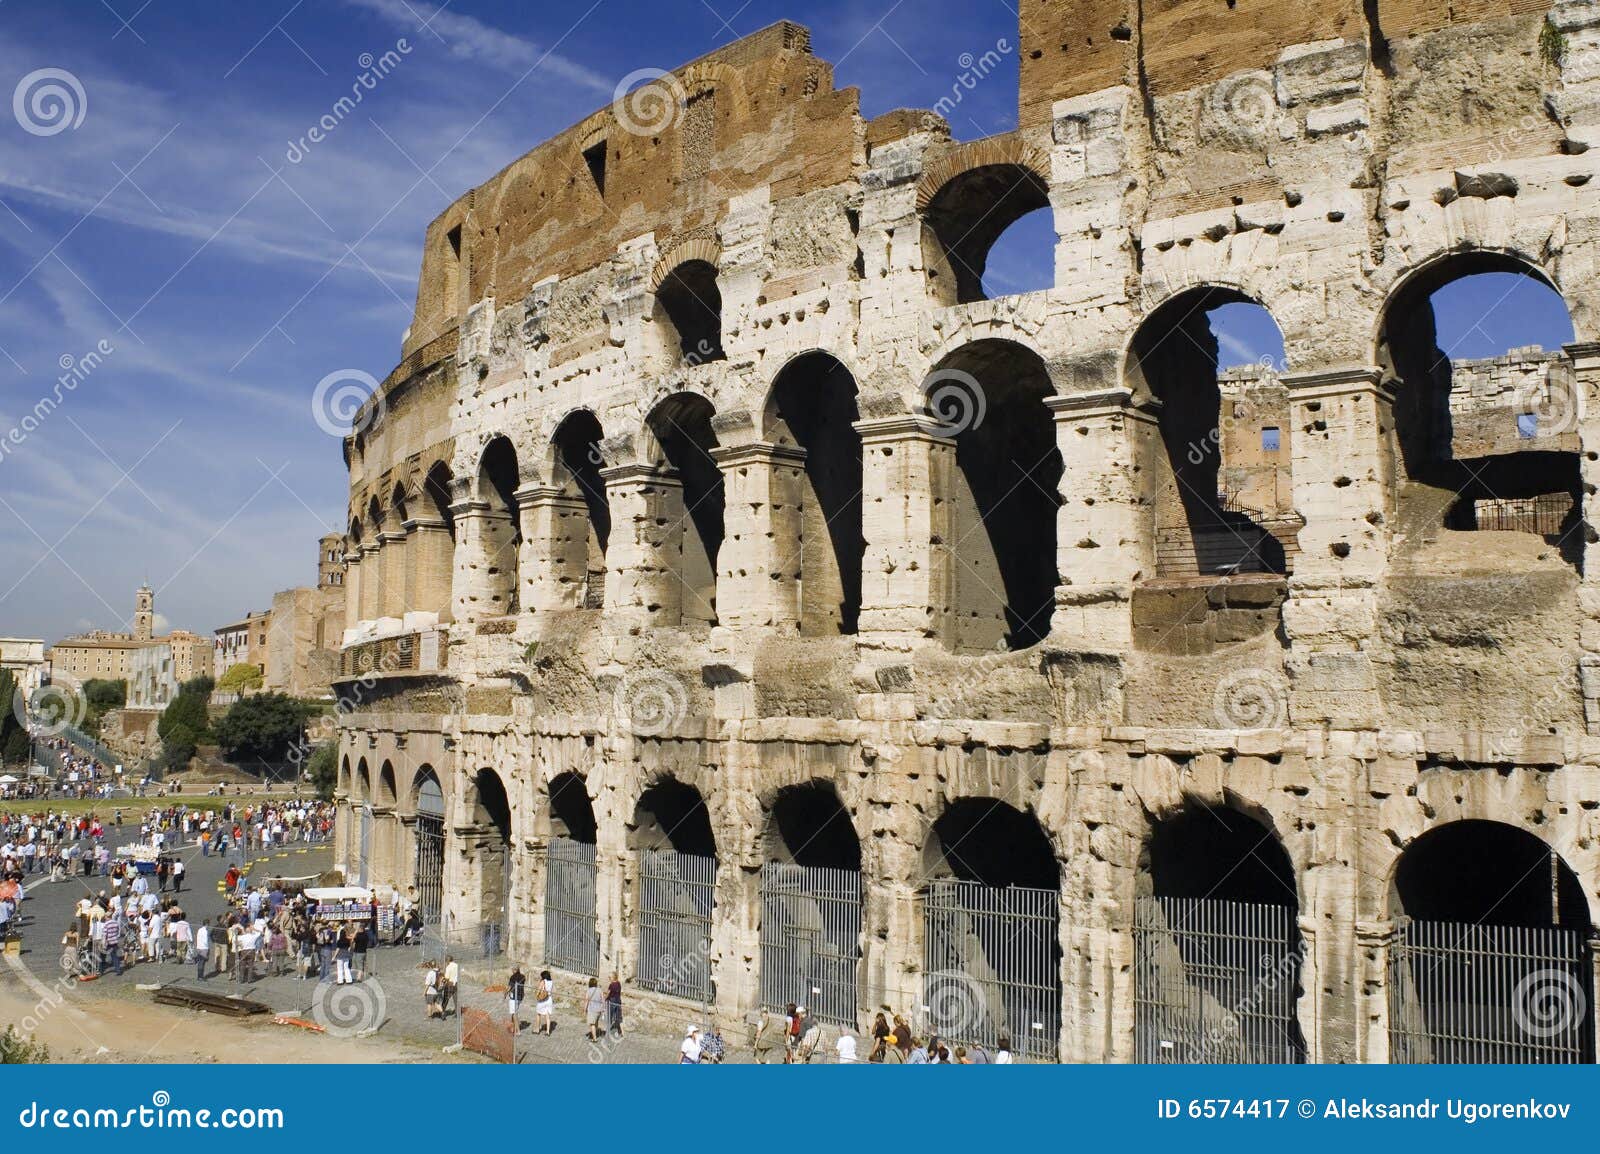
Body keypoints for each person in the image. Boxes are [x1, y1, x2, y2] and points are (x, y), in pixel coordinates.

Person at [534, 969, 554, 1034]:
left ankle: (537, 1029)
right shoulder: (551, 982)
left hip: (543, 999)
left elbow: (539, 990)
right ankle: (548, 1031)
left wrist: (536, 996)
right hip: (549, 999)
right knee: (547, 1016)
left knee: (538, 1014)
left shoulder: (543, 981)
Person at [584, 976, 604, 1040]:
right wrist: (603, 1009)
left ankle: (594, 1038)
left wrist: (585, 1009)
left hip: (592, 1010)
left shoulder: (589, 991)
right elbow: (603, 1000)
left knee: (592, 1024)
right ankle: (596, 1033)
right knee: (596, 1022)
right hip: (599, 1010)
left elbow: (586, 1001)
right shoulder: (600, 990)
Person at [606, 972, 623, 1037]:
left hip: (612, 1001)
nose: (609, 979)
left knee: (610, 1016)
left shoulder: (611, 985)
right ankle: (620, 1032)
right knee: (618, 1017)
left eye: (610, 977)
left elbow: (608, 993)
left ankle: (608, 1032)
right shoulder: (618, 983)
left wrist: (605, 999)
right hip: (618, 1001)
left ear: (613, 978)